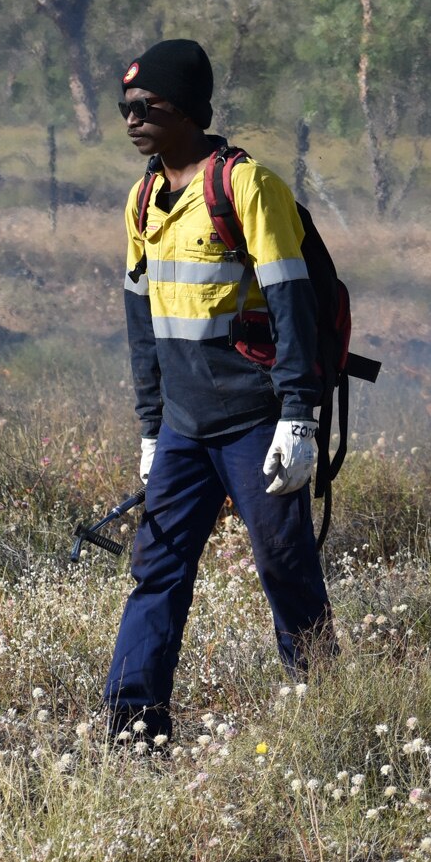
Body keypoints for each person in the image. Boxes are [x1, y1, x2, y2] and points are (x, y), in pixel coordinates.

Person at [103, 38, 335, 746]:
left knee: (284, 566)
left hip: (253, 420)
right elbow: (142, 324)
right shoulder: (142, 201)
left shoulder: (246, 186)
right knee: (156, 571)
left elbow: (294, 305)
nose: (135, 119)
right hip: (181, 429)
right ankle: (133, 731)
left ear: (193, 112)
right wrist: (150, 427)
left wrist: (298, 416)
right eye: (126, 108)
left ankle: (327, 712)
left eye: (150, 107)